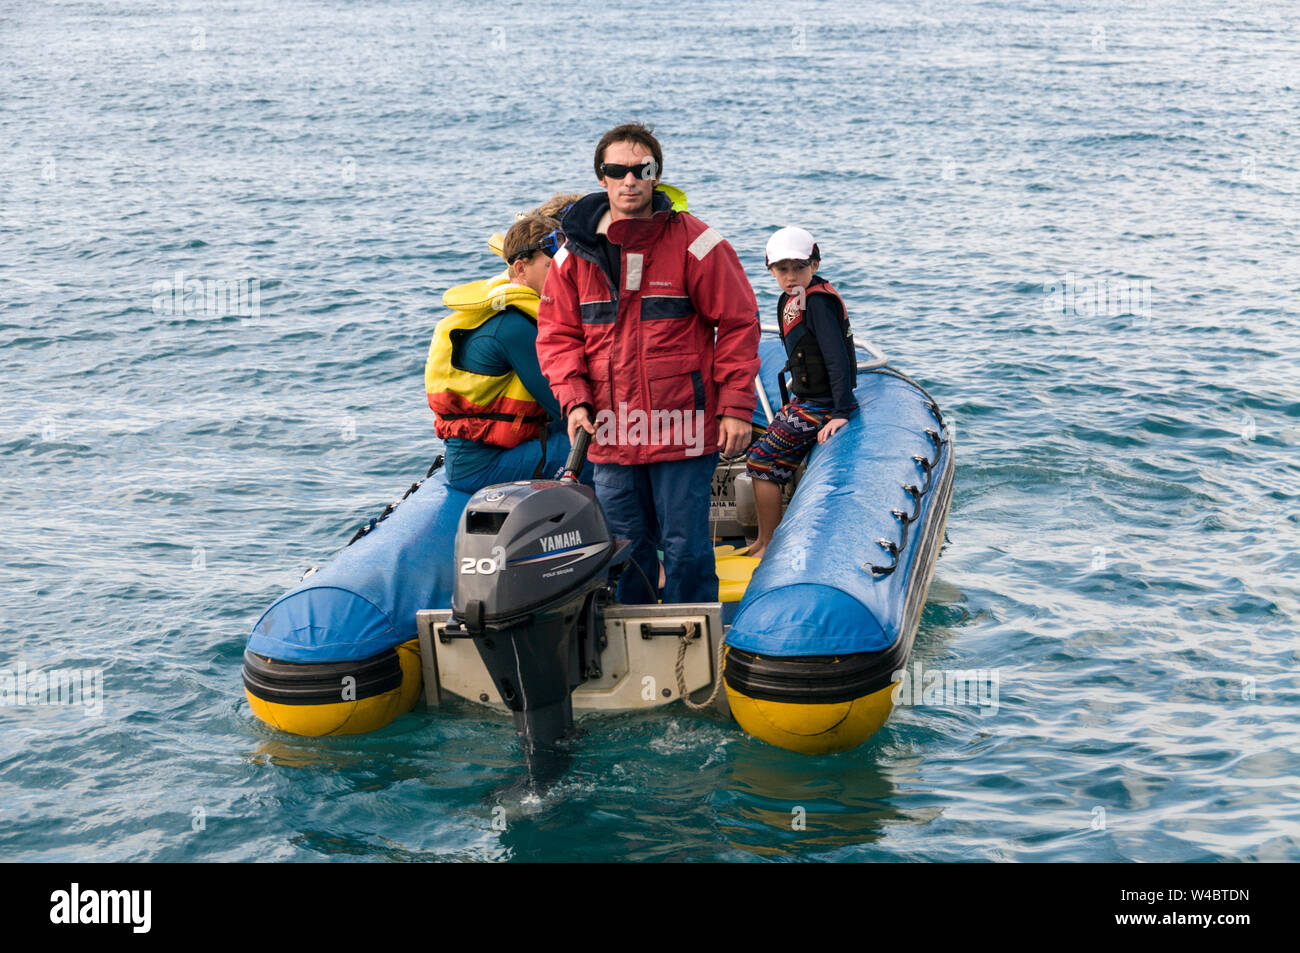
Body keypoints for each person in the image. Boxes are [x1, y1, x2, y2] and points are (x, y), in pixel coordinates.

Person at [536, 122, 760, 604]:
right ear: (602, 177)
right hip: (611, 430)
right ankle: (632, 641)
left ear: (657, 175)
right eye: (617, 170)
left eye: (642, 169)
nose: (630, 179)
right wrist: (573, 402)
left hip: (682, 426)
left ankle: (691, 638)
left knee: (686, 547)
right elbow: (556, 337)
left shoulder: (698, 243)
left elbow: (739, 323)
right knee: (625, 546)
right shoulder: (570, 257)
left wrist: (738, 407)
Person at [426, 212, 591, 493]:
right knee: (607, 450)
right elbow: (561, 406)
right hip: (481, 467)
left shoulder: (515, 308)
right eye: (553, 265)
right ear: (521, 268)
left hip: (497, 449)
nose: (565, 274)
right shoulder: (514, 326)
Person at [745, 226, 859, 559]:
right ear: (770, 270)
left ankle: (769, 543)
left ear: (816, 264)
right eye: (782, 269)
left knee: (760, 460)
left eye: (799, 267)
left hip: (823, 406)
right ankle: (761, 539)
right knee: (763, 451)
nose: (791, 276)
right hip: (807, 400)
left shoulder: (819, 303)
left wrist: (840, 413)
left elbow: (836, 359)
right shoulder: (791, 299)